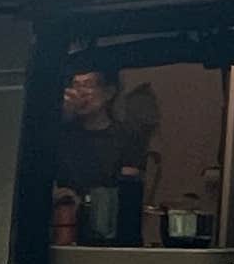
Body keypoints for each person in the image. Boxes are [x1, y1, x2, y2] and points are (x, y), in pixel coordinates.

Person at [54, 65, 160, 197]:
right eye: (75, 85)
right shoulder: (63, 133)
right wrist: (62, 116)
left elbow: (129, 186)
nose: (80, 92)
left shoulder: (128, 135)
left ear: (109, 93)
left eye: (88, 85)